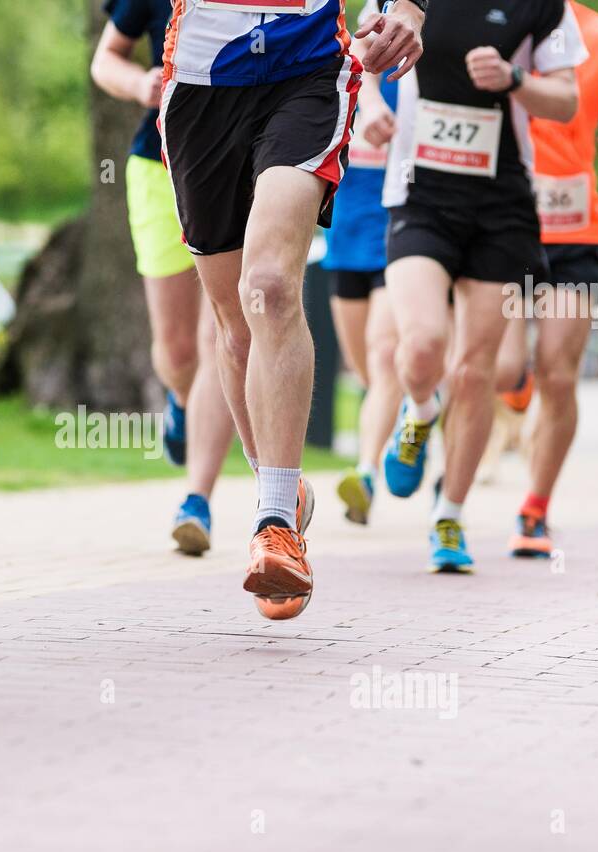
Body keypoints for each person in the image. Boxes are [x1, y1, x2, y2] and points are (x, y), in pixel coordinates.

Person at [158, 0, 426, 618]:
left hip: (307, 71)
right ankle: (280, 487)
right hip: (201, 84)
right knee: (234, 323)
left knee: (272, 286)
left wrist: (410, 7)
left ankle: (275, 522)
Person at [377, 0, 585, 573]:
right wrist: (370, 108)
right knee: (421, 345)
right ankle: (419, 412)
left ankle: (450, 514)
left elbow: (568, 100)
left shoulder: (543, 7)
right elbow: (358, 58)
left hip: (502, 205)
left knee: (477, 369)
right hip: (420, 194)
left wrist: (515, 79)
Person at [498, 0, 598, 558]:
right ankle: (506, 383)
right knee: (497, 370)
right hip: (500, 219)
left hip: (576, 231)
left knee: (559, 375)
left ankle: (535, 509)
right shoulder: (493, 19)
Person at [91, 0, 236, 556]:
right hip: (159, 165)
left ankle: (196, 499)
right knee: (178, 353)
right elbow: (106, 58)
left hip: (239, 160)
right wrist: (137, 83)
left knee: (220, 333)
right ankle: (181, 400)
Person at [327, 65, 403, 527]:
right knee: (365, 371)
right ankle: (408, 423)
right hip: (345, 243)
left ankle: (366, 472)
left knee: (385, 353)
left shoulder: (417, 77)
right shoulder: (336, 70)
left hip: (401, 241)